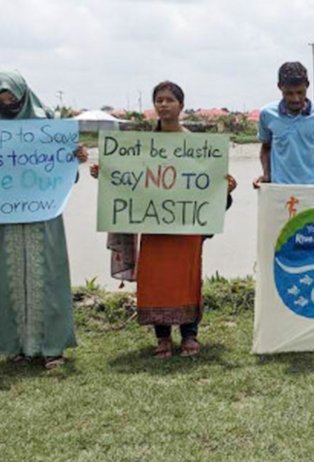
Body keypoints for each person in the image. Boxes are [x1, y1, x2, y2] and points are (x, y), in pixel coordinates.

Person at [91, 81, 236, 358]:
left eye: (170, 99)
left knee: (188, 278)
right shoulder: (141, 147)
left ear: (181, 105)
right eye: (159, 99)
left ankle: (189, 335)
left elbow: (210, 191)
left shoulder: (200, 146)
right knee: (155, 279)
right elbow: (128, 182)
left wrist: (225, 189)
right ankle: (162, 338)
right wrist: (106, 173)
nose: (164, 104)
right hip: (155, 225)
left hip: (187, 227)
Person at [0, 69, 88, 369]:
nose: (7, 102)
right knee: (7, 277)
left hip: (43, 215)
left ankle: (52, 347)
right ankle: (17, 346)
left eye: (11, 96)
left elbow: (66, 177)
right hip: (6, 217)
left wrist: (73, 158)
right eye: (1, 98)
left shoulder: (48, 124)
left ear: (23, 94)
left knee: (48, 275)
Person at [254, 61, 314, 187]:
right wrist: (266, 174)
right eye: (289, 93)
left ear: (307, 86)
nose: (295, 99)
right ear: (280, 87)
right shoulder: (267, 114)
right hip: (280, 191)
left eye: (300, 92)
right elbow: (266, 147)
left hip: (313, 190)